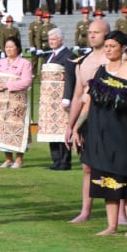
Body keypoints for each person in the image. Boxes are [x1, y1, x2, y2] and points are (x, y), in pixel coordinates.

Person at [73, 30, 127, 236]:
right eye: (106, 46)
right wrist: (76, 126)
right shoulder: (100, 72)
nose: (108, 50)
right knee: (104, 177)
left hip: (126, 134)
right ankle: (111, 226)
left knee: (125, 177)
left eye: (112, 46)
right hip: (101, 133)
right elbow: (88, 104)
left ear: (123, 48)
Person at [66, 18, 111, 223]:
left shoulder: (115, 60)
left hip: (109, 117)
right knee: (87, 166)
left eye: (97, 32)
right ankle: (86, 210)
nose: (92, 35)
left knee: (112, 165)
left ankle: (118, 212)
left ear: (106, 35)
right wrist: (70, 125)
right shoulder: (82, 62)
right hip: (87, 119)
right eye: (90, 32)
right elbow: (77, 96)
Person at [0, 37, 33, 169]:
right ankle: (8, 159)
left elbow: (26, 82)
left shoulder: (24, 63)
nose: (9, 49)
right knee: (4, 130)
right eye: (7, 47)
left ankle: (19, 160)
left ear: (18, 48)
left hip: (17, 104)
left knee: (17, 129)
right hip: (1, 104)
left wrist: (7, 85)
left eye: (12, 47)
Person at [42, 28, 76, 170]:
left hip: (61, 99)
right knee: (51, 130)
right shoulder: (49, 56)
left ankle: (64, 161)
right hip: (49, 101)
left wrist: (67, 97)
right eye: (50, 39)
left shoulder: (68, 55)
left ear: (61, 40)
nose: (51, 42)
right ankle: (55, 159)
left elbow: (70, 78)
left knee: (62, 129)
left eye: (54, 39)